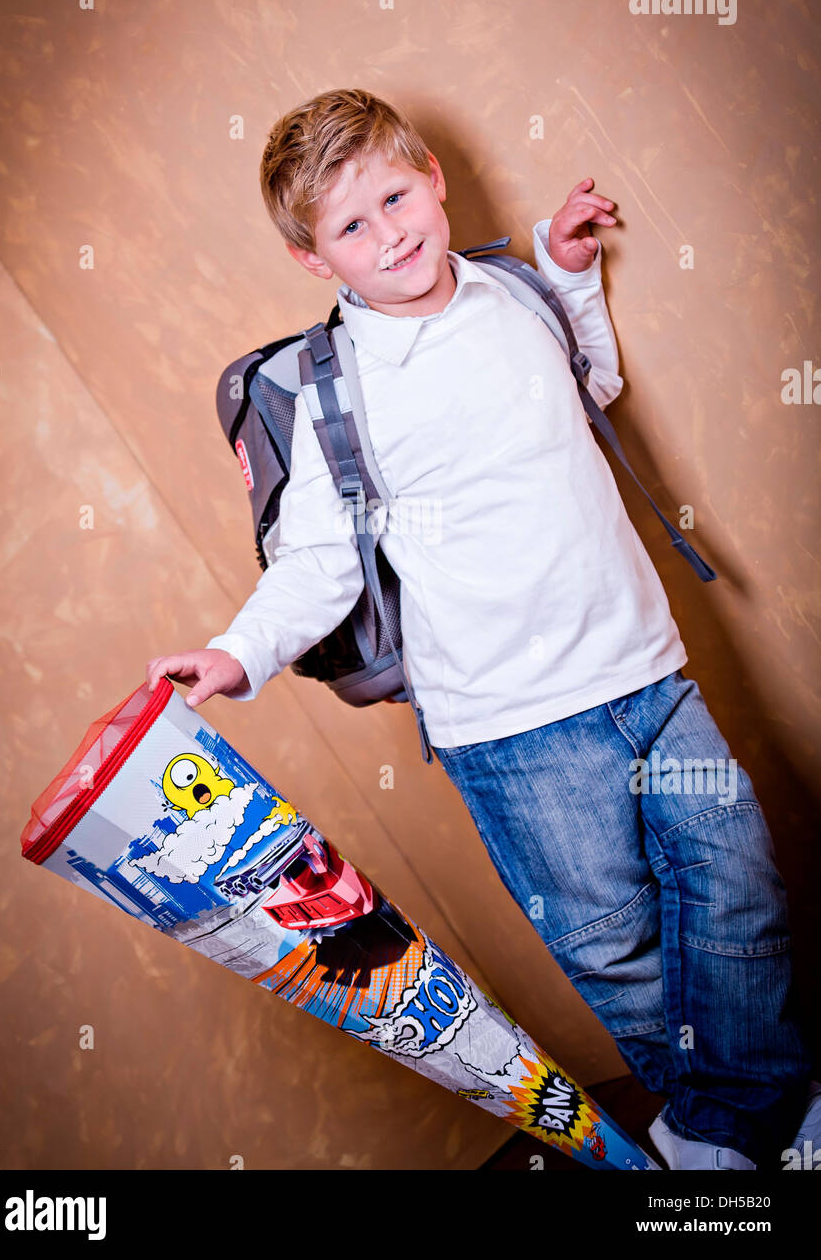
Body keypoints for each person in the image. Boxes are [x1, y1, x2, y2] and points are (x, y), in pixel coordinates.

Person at [146, 87, 817, 1171]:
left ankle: (727, 1126)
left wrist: (566, 272)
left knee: (735, 886)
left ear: (431, 176)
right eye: (351, 227)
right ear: (317, 263)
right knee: (617, 946)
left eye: (395, 195)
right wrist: (239, 650)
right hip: (510, 726)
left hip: (643, 667)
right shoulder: (337, 387)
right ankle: (744, 1140)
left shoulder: (508, 291)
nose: (391, 233)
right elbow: (316, 558)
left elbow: (588, 380)